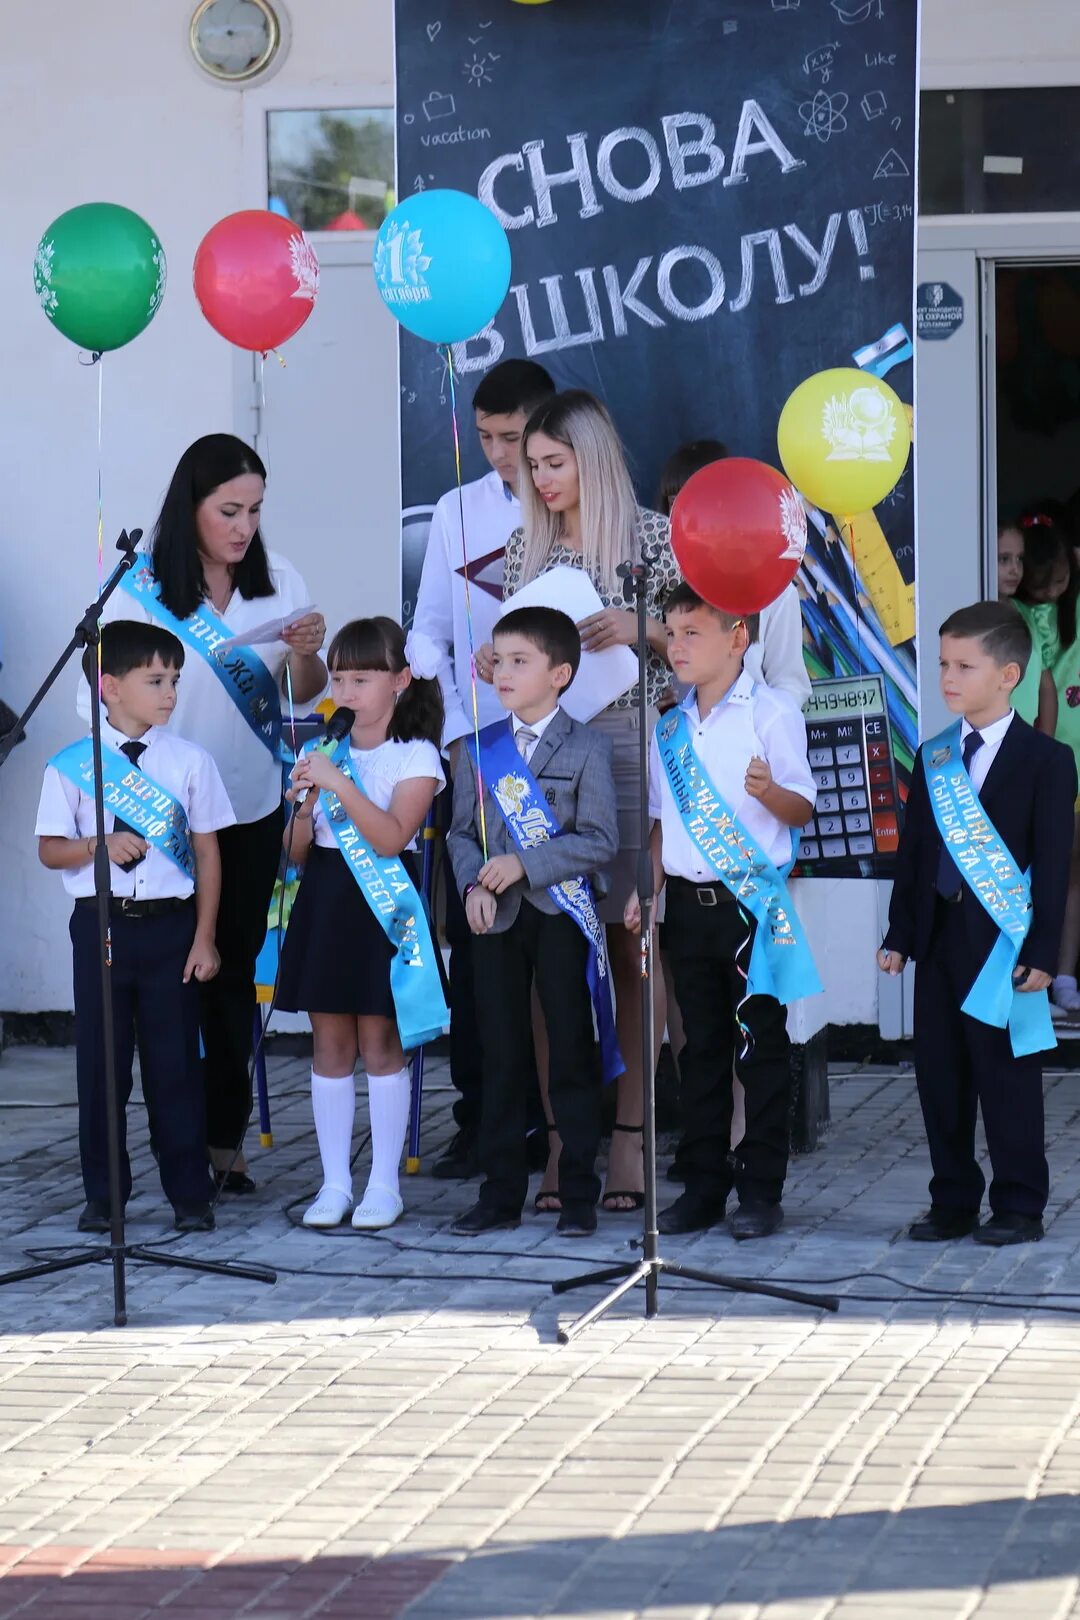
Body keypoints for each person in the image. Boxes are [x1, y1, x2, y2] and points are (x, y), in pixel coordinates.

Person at [81, 435, 327, 1191]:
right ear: (189, 506)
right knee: (159, 991)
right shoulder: (139, 586)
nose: (244, 526)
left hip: (247, 811)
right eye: (228, 510)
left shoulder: (278, 580)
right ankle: (153, 1156)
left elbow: (307, 690)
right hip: (155, 816)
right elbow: (101, 694)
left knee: (225, 982)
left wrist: (311, 650)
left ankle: (222, 1142)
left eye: (254, 510)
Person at [476, 390, 680, 1213]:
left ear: (591, 457)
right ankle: (567, 1142)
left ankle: (630, 1138)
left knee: (629, 937)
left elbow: (698, 639)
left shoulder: (655, 538)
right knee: (544, 940)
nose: (542, 478)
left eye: (554, 462)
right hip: (540, 755)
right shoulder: (525, 542)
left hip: (628, 743)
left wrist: (642, 630)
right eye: (532, 465)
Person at [879, 600, 1076, 1246]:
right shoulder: (935, 755)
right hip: (938, 941)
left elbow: (1052, 865)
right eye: (942, 664)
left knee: (1005, 1076)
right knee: (939, 1077)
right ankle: (952, 1199)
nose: (947, 678)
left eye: (964, 665)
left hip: (1004, 947)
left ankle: (1018, 1203)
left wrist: (1045, 950)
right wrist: (899, 935)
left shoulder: (1045, 761)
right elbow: (915, 857)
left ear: (1009, 674)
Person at [627, 584, 818, 1239]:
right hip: (684, 904)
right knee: (699, 1050)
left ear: (738, 638)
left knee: (759, 1048)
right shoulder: (670, 726)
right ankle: (703, 1184)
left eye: (693, 633)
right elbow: (659, 823)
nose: (677, 647)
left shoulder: (771, 714)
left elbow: (803, 808)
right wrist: (644, 891)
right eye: (671, 633)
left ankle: (760, 1189)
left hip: (747, 907)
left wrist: (772, 795)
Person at [406, 359, 555, 1180]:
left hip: (556, 752)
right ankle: (486, 1116)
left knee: (556, 940)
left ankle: (561, 1120)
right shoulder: (456, 510)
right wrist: (459, 692)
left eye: (515, 438)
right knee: (480, 932)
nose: (501, 455)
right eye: (489, 438)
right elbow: (426, 628)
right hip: (476, 744)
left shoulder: (571, 507)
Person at [37, 621, 236, 1234]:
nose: (170, 692)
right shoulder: (72, 765)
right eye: (155, 680)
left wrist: (205, 937)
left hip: (171, 928)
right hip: (100, 925)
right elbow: (50, 849)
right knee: (102, 1065)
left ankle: (188, 1191)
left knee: (174, 1062)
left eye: (175, 679)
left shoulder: (190, 761)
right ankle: (105, 1194)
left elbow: (207, 854)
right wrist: (98, 844)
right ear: (110, 686)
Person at [448, 606, 619, 1238]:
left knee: (570, 1050)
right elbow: (462, 833)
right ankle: (498, 1192)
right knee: (499, 1050)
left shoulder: (588, 746)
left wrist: (524, 862)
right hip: (494, 919)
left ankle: (577, 1190)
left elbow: (600, 839)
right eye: (499, 660)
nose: (504, 672)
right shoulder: (477, 749)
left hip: (558, 914)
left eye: (521, 661)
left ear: (561, 674)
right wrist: (472, 883)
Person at [277, 617, 448, 1231]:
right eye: (340, 678)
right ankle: (333, 1184)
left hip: (383, 904)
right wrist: (302, 805)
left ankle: (383, 1184)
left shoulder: (417, 755)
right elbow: (297, 853)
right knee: (330, 1044)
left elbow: (391, 836)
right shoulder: (323, 752)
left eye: (362, 677)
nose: (346, 691)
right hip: (325, 898)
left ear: (400, 680)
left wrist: (338, 784)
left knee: (380, 1043)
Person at [657, 439, 811, 708]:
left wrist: (764, 728)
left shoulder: (774, 591)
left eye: (700, 501)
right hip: (678, 740)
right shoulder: (653, 581)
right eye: (676, 502)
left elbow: (790, 685)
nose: (686, 513)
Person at [1015, 509, 1080, 1012]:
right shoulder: (1010, 618)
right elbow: (1044, 690)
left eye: (1061, 582)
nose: (1052, 594)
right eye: (1043, 587)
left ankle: (1064, 974)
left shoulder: (1074, 609)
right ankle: (1026, 969)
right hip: (1032, 762)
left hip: (1073, 762)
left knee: (1069, 872)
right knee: (1025, 871)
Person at [999, 518, 1055, 731]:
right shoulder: (975, 618)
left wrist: (1045, 745)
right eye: (1004, 559)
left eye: (1019, 559)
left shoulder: (1030, 615)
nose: (1015, 569)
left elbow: (1046, 687)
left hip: (1027, 739)